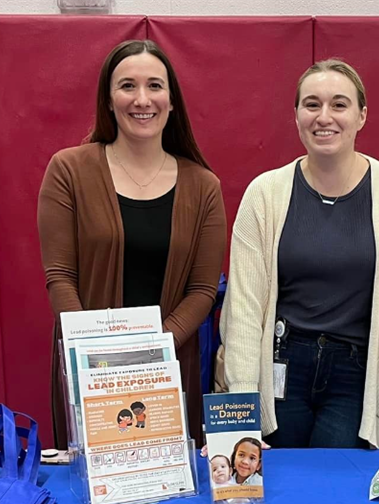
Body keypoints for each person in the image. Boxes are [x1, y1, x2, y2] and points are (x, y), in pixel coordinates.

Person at [219, 58, 379, 450]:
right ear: (297, 115)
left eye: (339, 104)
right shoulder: (264, 194)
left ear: (362, 116)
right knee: (278, 491)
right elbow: (244, 310)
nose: (325, 117)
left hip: (355, 375)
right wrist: (241, 406)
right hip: (281, 369)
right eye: (312, 104)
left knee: (340, 493)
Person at [38, 39, 226, 448]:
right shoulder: (68, 170)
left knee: (170, 497)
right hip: (89, 369)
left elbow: (202, 291)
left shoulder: (203, 186)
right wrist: (98, 355)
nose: (142, 99)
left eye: (155, 86)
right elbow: (60, 277)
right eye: (127, 86)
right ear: (108, 99)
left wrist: (150, 353)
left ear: (172, 101)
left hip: (168, 368)